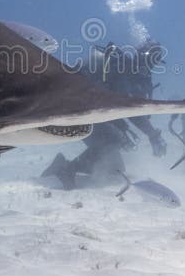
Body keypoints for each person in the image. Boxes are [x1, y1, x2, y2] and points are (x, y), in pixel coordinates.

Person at [42, 38, 166, 189]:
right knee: (112, 141)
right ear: (139, 54)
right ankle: (66, 170)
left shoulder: (136, 76)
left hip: (89, 111)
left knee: (113, 168)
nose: (150, 64)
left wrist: (123, 127)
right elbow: (127, 106)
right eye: (148, 57)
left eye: (155, 60)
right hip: (74, 109)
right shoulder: (122, 68)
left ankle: (59, 164)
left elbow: (121, 106)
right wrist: (152, 134)